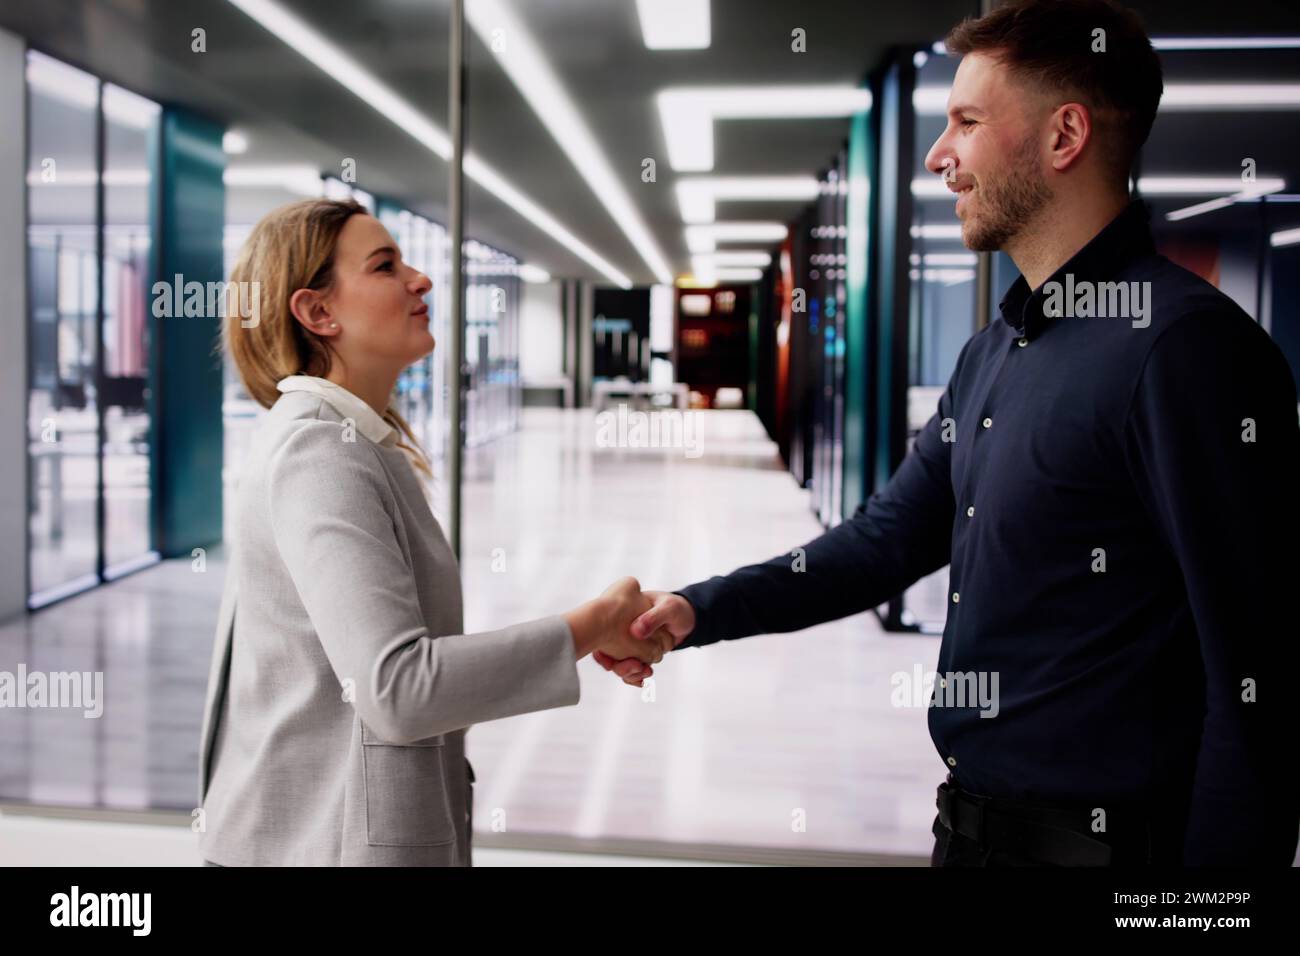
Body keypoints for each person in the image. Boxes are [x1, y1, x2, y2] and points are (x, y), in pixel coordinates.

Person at [597, 0, 1300, 867]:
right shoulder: (994, 350)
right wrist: (698, 608)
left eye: (966, 122)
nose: (939, 156)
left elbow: (1259, 682)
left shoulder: (1187, 352)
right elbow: (885, 541)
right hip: (971, 834)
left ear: (1064, 135)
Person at [198, 198, 672, 866]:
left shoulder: (350, 441)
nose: (420, 279)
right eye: (386, 265)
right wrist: (588, 626)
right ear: (318, 312)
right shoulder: (320, 455)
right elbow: (397, 688)